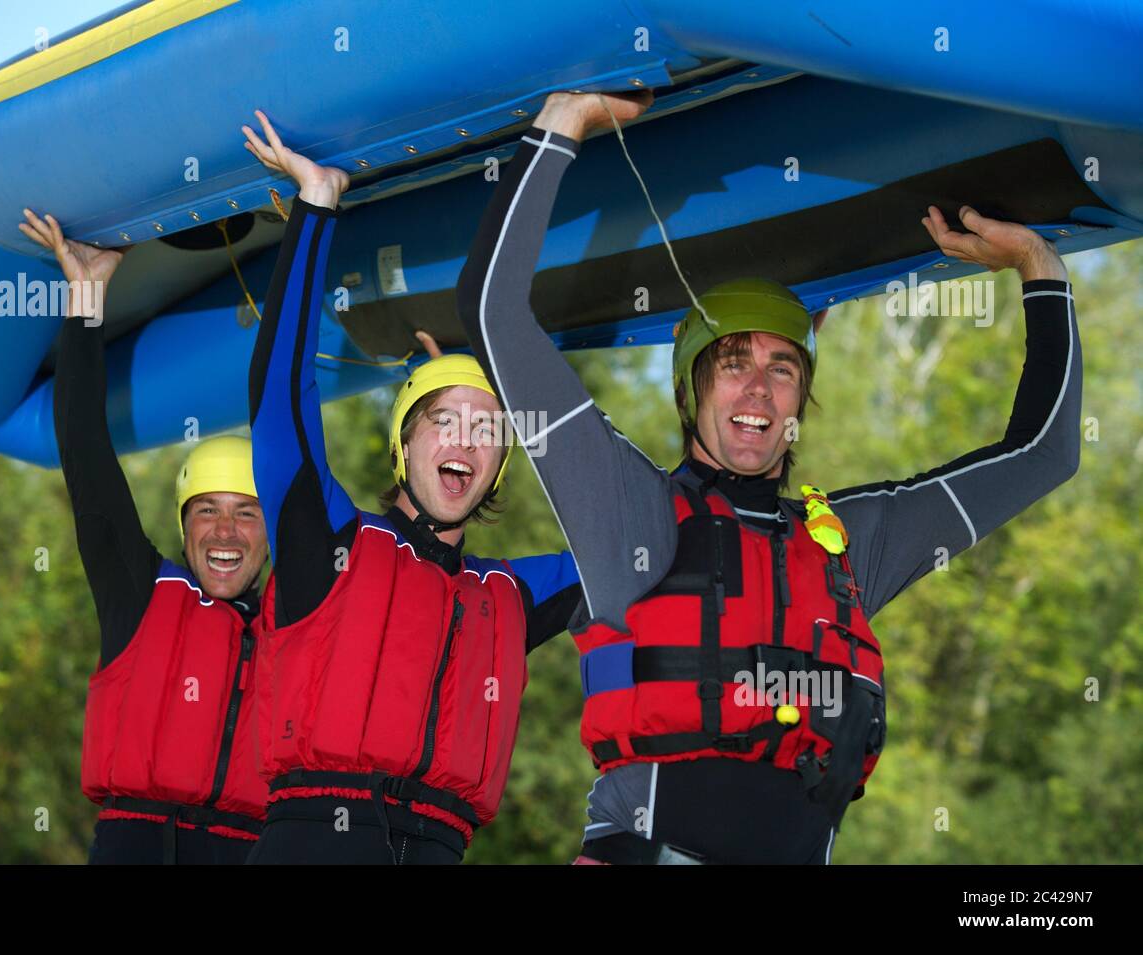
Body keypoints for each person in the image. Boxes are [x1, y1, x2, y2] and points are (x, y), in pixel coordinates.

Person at [455, 91, 1082, 864]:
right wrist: (563, 124)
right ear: (689, 392)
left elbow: (1046, 453)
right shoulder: (634, 514)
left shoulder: (847, 547)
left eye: (782, 369)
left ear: (802, 398)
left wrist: (1037, 266)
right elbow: (492, 313)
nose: (757, 390)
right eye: (732, 365)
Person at [239, 110, 581, 864]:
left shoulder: (512, 595)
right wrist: (317, 204)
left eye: (487, 429)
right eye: (444, 420)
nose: (466, 440)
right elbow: (276, 405)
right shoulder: (328, 538)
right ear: (404, 443)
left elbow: (633, 533)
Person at [20, 209, 273, 864]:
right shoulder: (139, 590)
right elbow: (83, 447)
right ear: (183, 528)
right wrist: (85, 298)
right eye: (206, 511)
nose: (225, 531)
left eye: (246, 512)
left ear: (270, 533)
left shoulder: (298, 619)